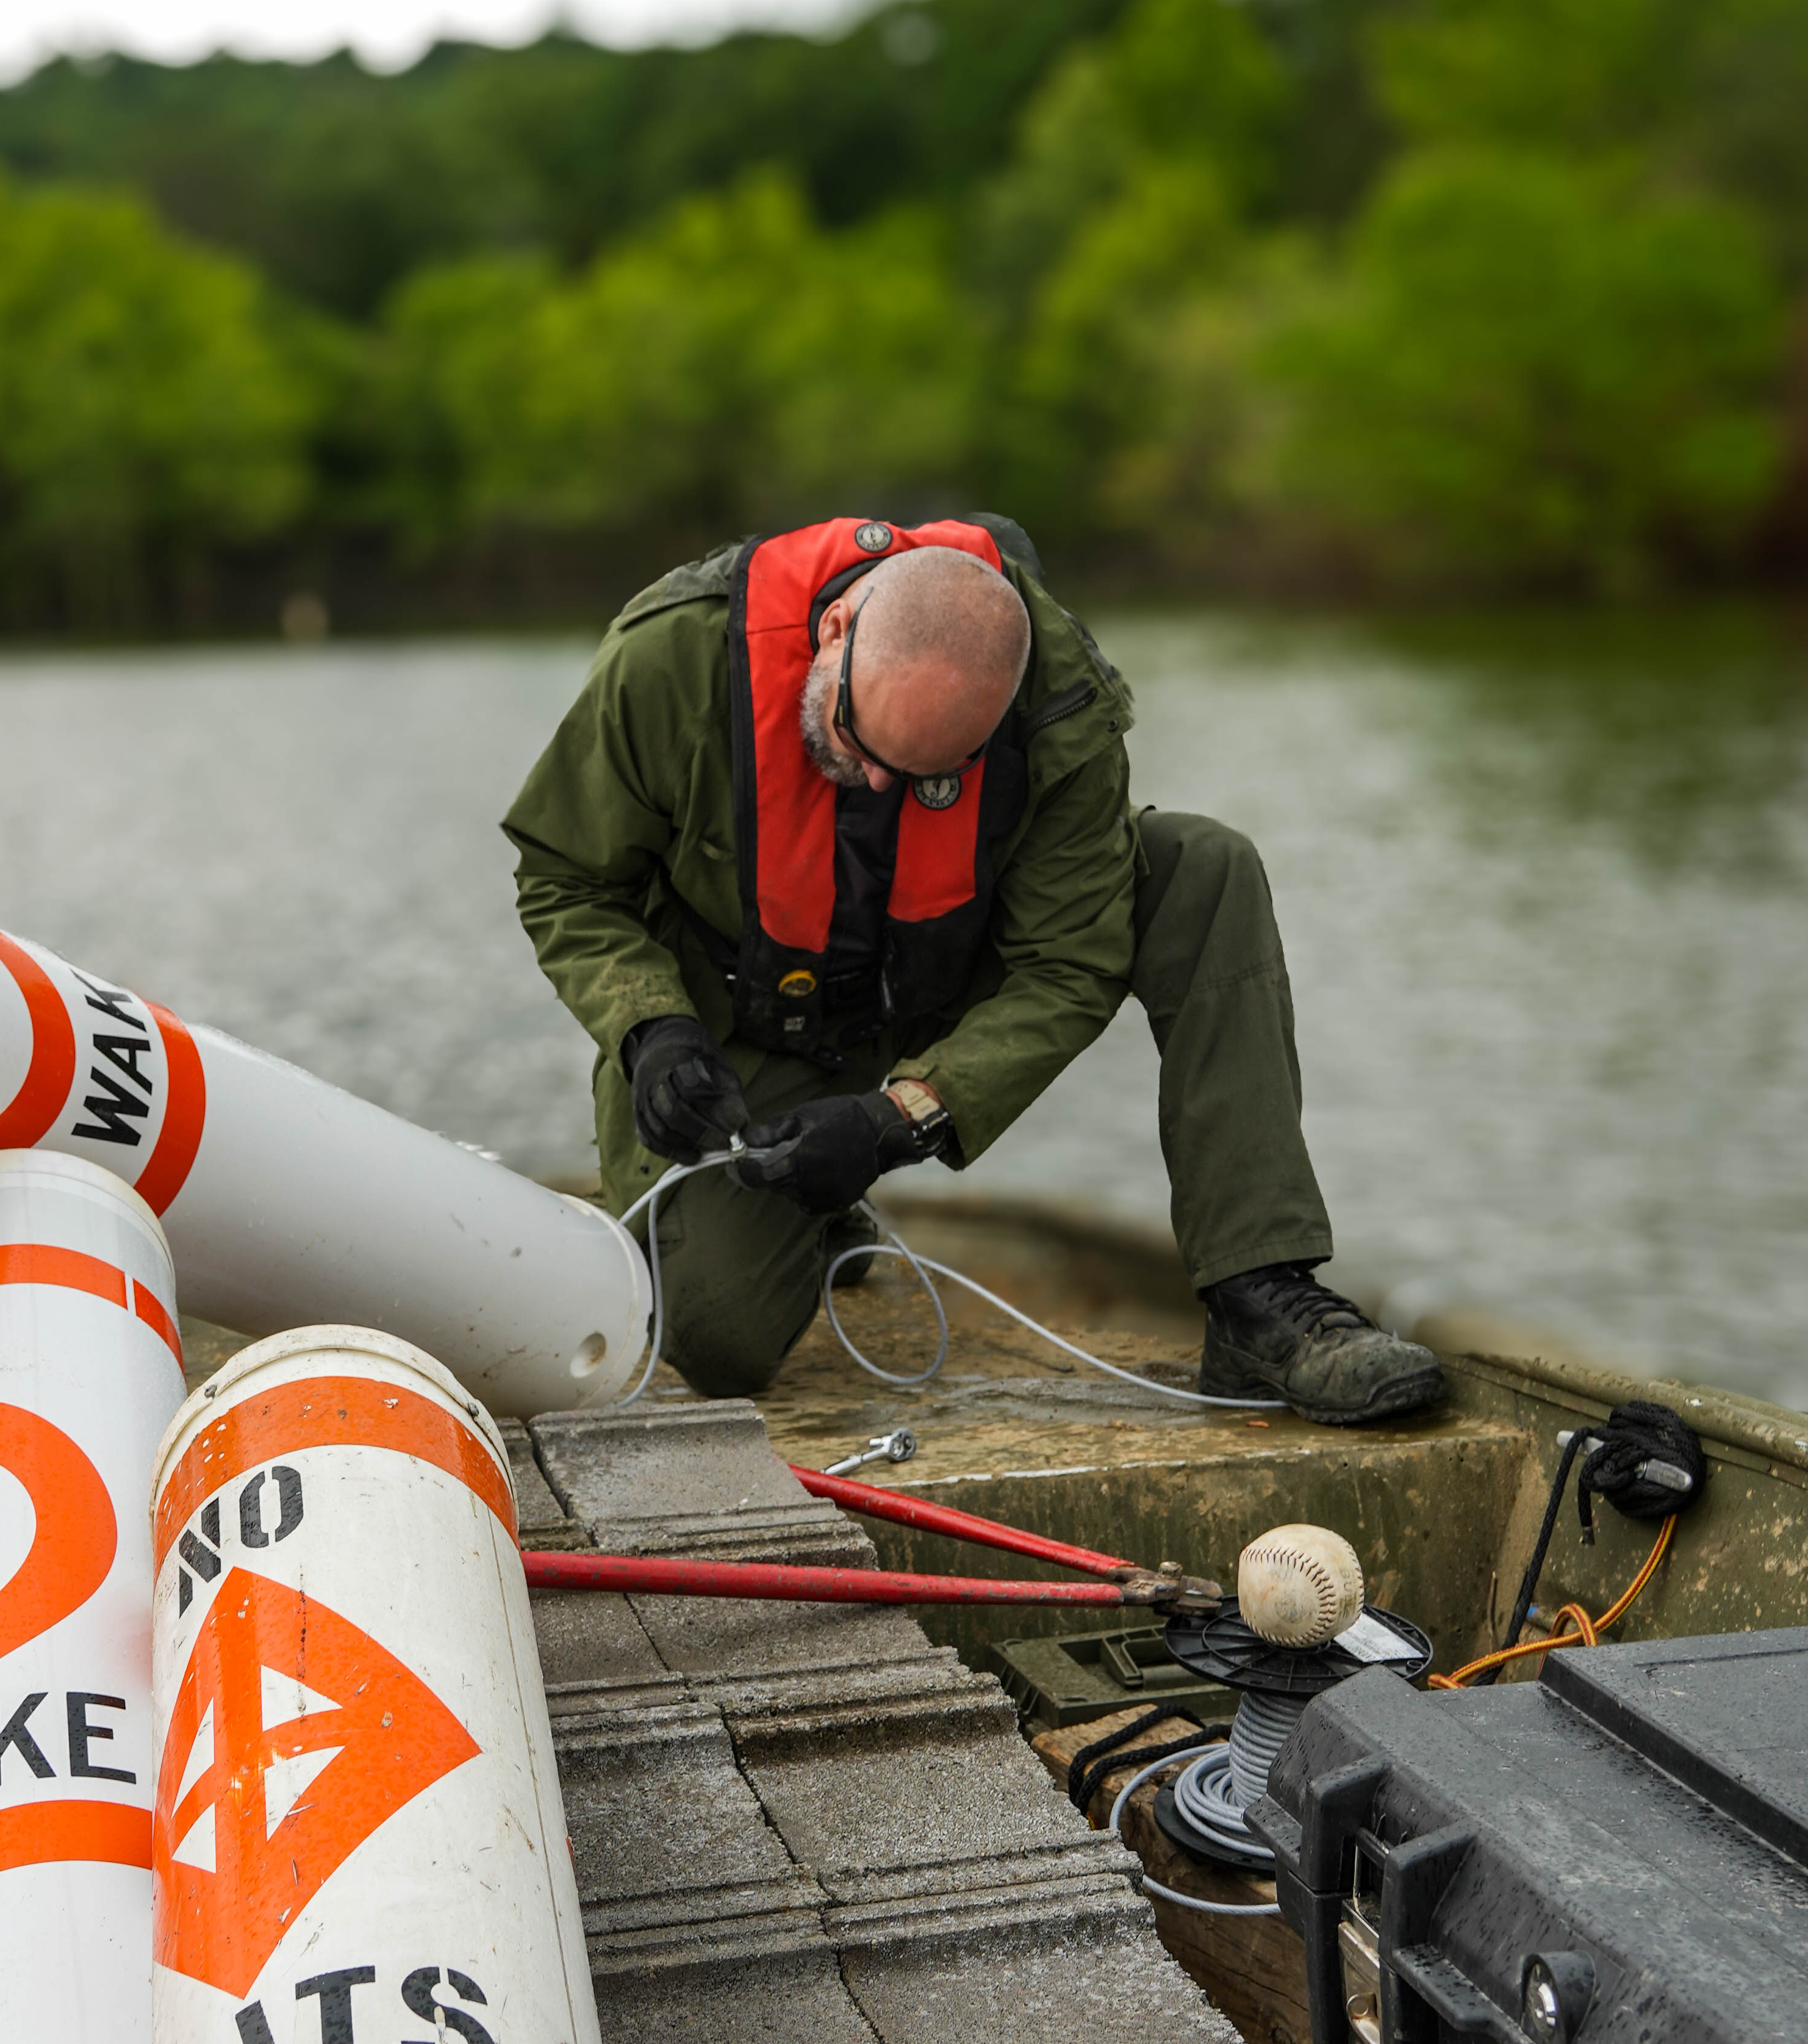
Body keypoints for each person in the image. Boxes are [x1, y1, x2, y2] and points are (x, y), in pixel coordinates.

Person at [502, 511, 1444, 1421]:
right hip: (749, 1009)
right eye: (860, 743)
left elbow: (1069, 964)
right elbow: (566, 878)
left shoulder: (1060, 702)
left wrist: (894, 1121)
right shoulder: (673, 660)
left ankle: (1259, 1295)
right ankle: (820, 1217)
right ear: (835, 631)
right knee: (719, 1340)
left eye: (928, 778)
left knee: (1204, 871)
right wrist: (649, 1028)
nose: (879, 787)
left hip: (944, 970)